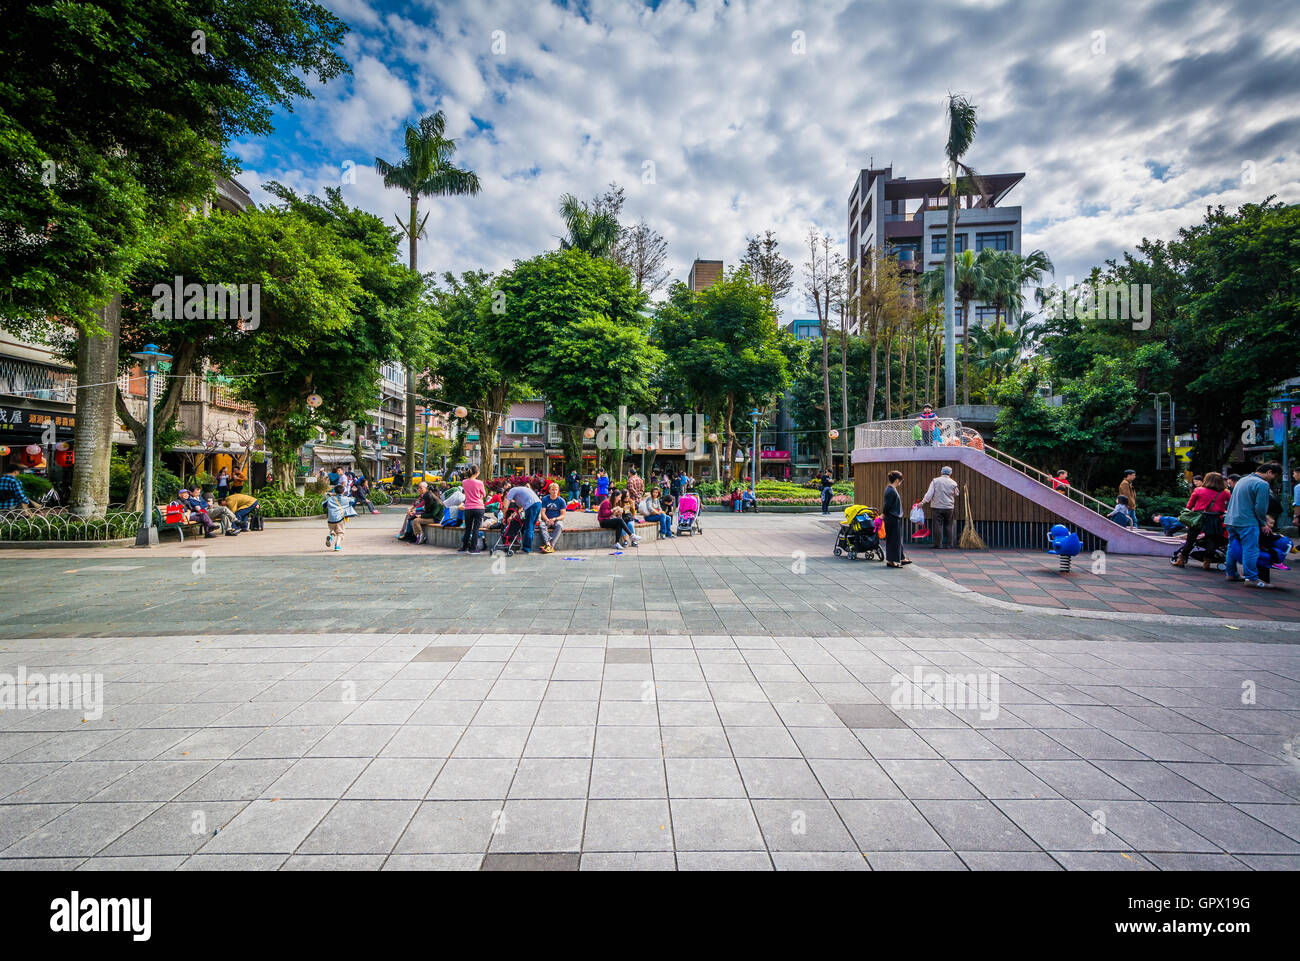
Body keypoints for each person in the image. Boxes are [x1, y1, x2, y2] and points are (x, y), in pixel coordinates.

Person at [1224, 461, 1281, 588]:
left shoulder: (1243, 480)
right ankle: (1251, 578)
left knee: (1232, 546)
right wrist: (1262, 523)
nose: (1273, 480)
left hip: (1231, 520)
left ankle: (1231, 573)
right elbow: (1260, 507)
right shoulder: (1262, 484)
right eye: (1274, 476)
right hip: (1247, 521)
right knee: (1250, 549)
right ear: (1269, 472)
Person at [920, 466, 960, 549]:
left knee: (937, 525)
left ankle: (938, 544)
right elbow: (957, 494)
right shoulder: (953, 482)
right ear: (950, 473)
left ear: (941, 472)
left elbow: (929, 494)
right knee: (949, 525)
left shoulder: (935, 481)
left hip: (937, 507)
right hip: (949, 507)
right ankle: (949, 544)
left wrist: (923, 502)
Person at [505, 480, 543, 554]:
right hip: (537, 504)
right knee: (531, 528)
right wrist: (512, 516)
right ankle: (528, 547)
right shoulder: (520, 493)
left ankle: (526, 549)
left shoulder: (512, 490)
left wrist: (504, 517)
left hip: (531, 505)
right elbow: (520, 509)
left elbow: (505, 506)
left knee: (528, 528)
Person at [883, 470, 909, 567]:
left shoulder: (891, 489)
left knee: (897, 539)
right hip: (892, 517)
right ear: (897, 480)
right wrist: (883, 514)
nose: (901, 482)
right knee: (893, 539)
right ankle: (891, 561)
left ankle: (901, 557)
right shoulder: (891, 490)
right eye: (901, 480)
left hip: (893, 517)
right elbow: (887, 506)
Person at [459, 465, 486, 554]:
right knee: (476, 529)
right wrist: (479, 496)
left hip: (468, 508)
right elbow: (484, 494)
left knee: (468, 528)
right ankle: (473, 549)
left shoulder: (464, 482)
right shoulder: (479, 483)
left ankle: (464, 547)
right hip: (479, 507)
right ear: (477, 473)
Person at [323, 484, 357, 552]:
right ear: (343, 491)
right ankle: (337, 545)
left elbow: (323, 505)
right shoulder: (345, 499)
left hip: (330, 519)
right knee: (340, 533)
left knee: (332, 529)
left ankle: (331, 535)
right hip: (340, 518)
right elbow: (353, 501)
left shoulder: (330, 499)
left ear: (334, 491)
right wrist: (350, 494)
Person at [537, 482, 567, 554]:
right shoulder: (545, 499)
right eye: (552, 490)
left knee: (560, 525)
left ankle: (550, 546)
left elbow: (563, 515)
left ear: (558, 490)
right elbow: (543, 512)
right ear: (549, 490)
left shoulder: (561, 501)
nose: (554, 491)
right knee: (541, 525)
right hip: (547, 519)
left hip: (556, 519)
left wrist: (555, 519)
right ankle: (548, 544)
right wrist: (547, 520)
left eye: (556, 490)